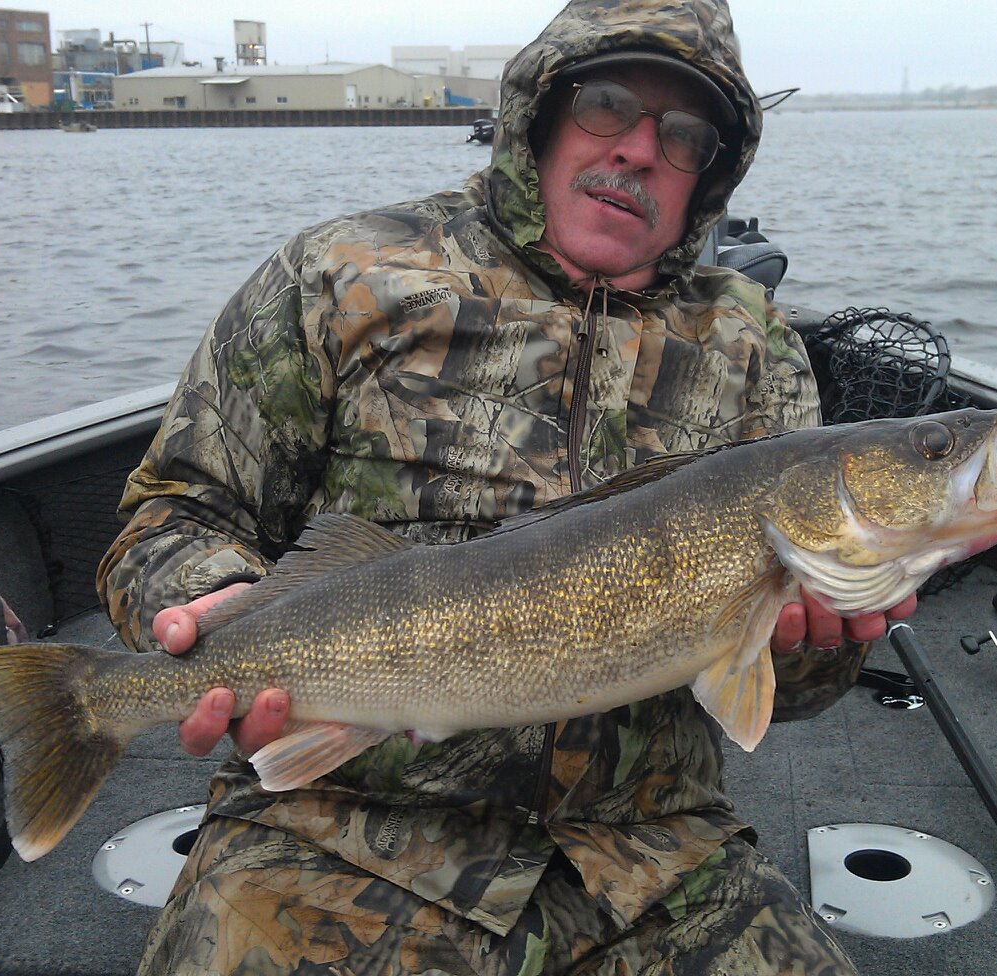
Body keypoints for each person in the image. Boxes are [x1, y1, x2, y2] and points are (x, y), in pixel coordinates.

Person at [97, 1, 914, 972]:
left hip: (655, 859)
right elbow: (177, 507)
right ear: (544, 111)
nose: (639, 150)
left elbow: (791, 687)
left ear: (711, 170)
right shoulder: (344, 273)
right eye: (608, 105)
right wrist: (211, 600)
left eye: (685, 134)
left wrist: (822, 640)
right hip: (333, 830)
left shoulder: (755, 344)